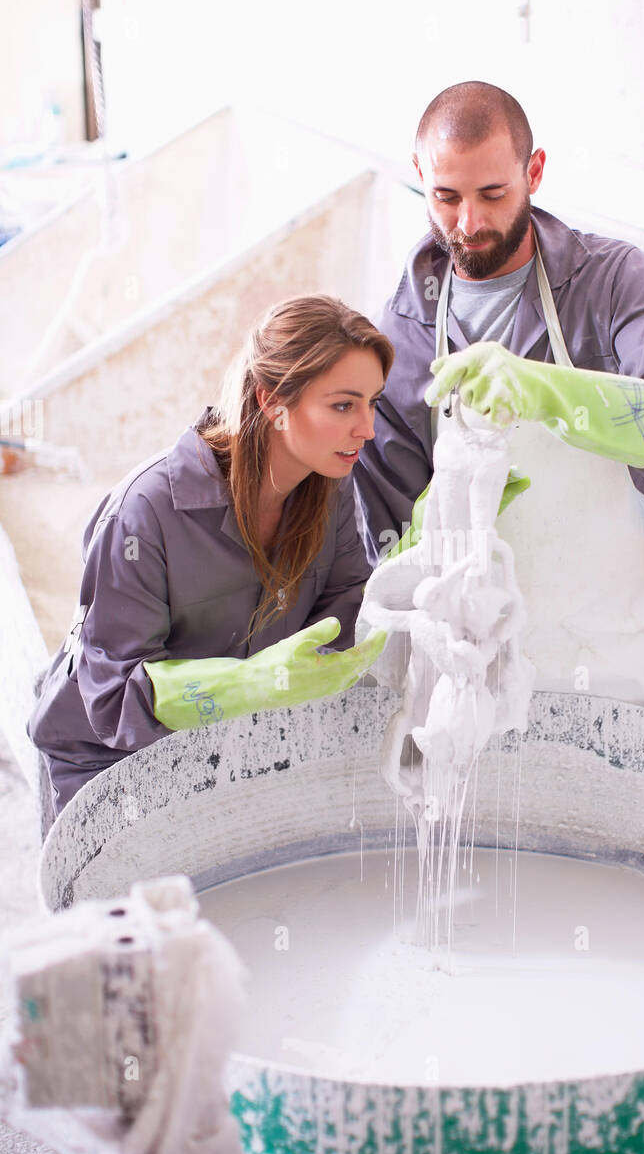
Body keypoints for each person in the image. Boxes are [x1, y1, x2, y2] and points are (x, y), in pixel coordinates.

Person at [354, 82, 644, 714]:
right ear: (419, 174)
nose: (468, 224)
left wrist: (549, 391)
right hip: (478, 682)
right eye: (445, 197)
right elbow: (392, 546)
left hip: (615, 660)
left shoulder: (612, 284)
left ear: (534, 172)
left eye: (493, 194)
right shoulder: (401, 334)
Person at [29, 295, 392, 820]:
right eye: (343, 405)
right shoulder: (144, 513)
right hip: (107, 766)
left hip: (233, 749)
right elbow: (113, 698)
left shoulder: (328, 486)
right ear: (273, 402)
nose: (368, 429)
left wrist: (418, 557)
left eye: (373, 402)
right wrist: (250, 684)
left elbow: (346, 604)